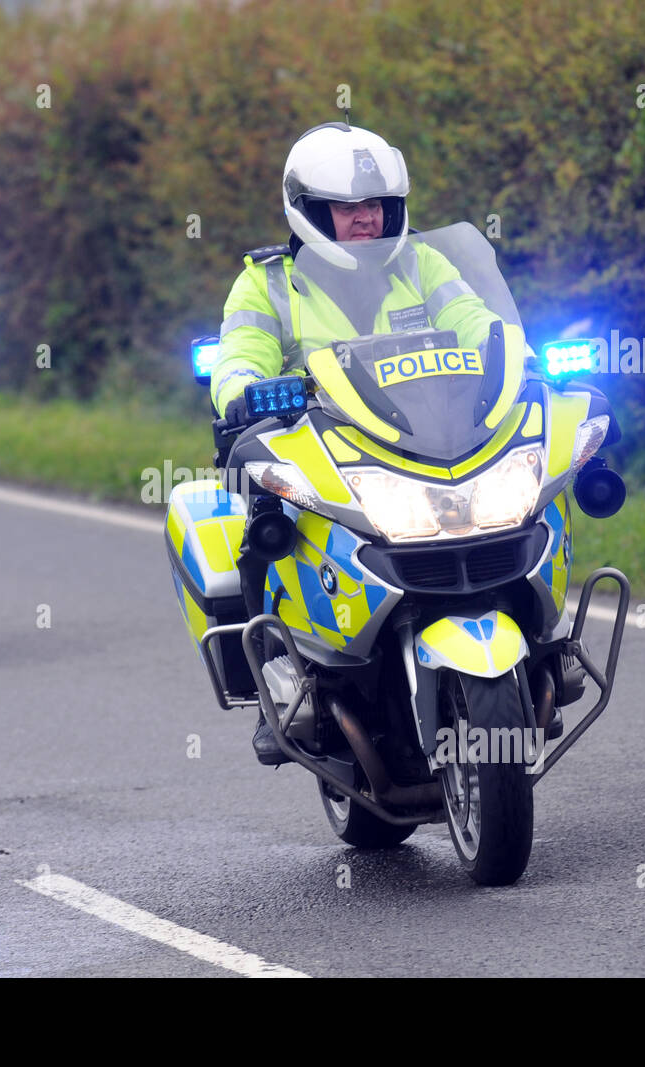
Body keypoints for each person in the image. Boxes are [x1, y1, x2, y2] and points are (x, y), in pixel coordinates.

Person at [210, 122, 505, 765]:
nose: (367, 220)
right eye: (348, 208)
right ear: (311, 212)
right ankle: (279, 687)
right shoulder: (265, 285)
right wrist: (244, 391)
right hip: (323, 446)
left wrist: (517, 356)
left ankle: (539, 629)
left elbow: (477, 320)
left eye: (375, 206)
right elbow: (238, 358)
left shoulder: (423, 262)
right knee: (265, 526)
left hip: (430, 440)